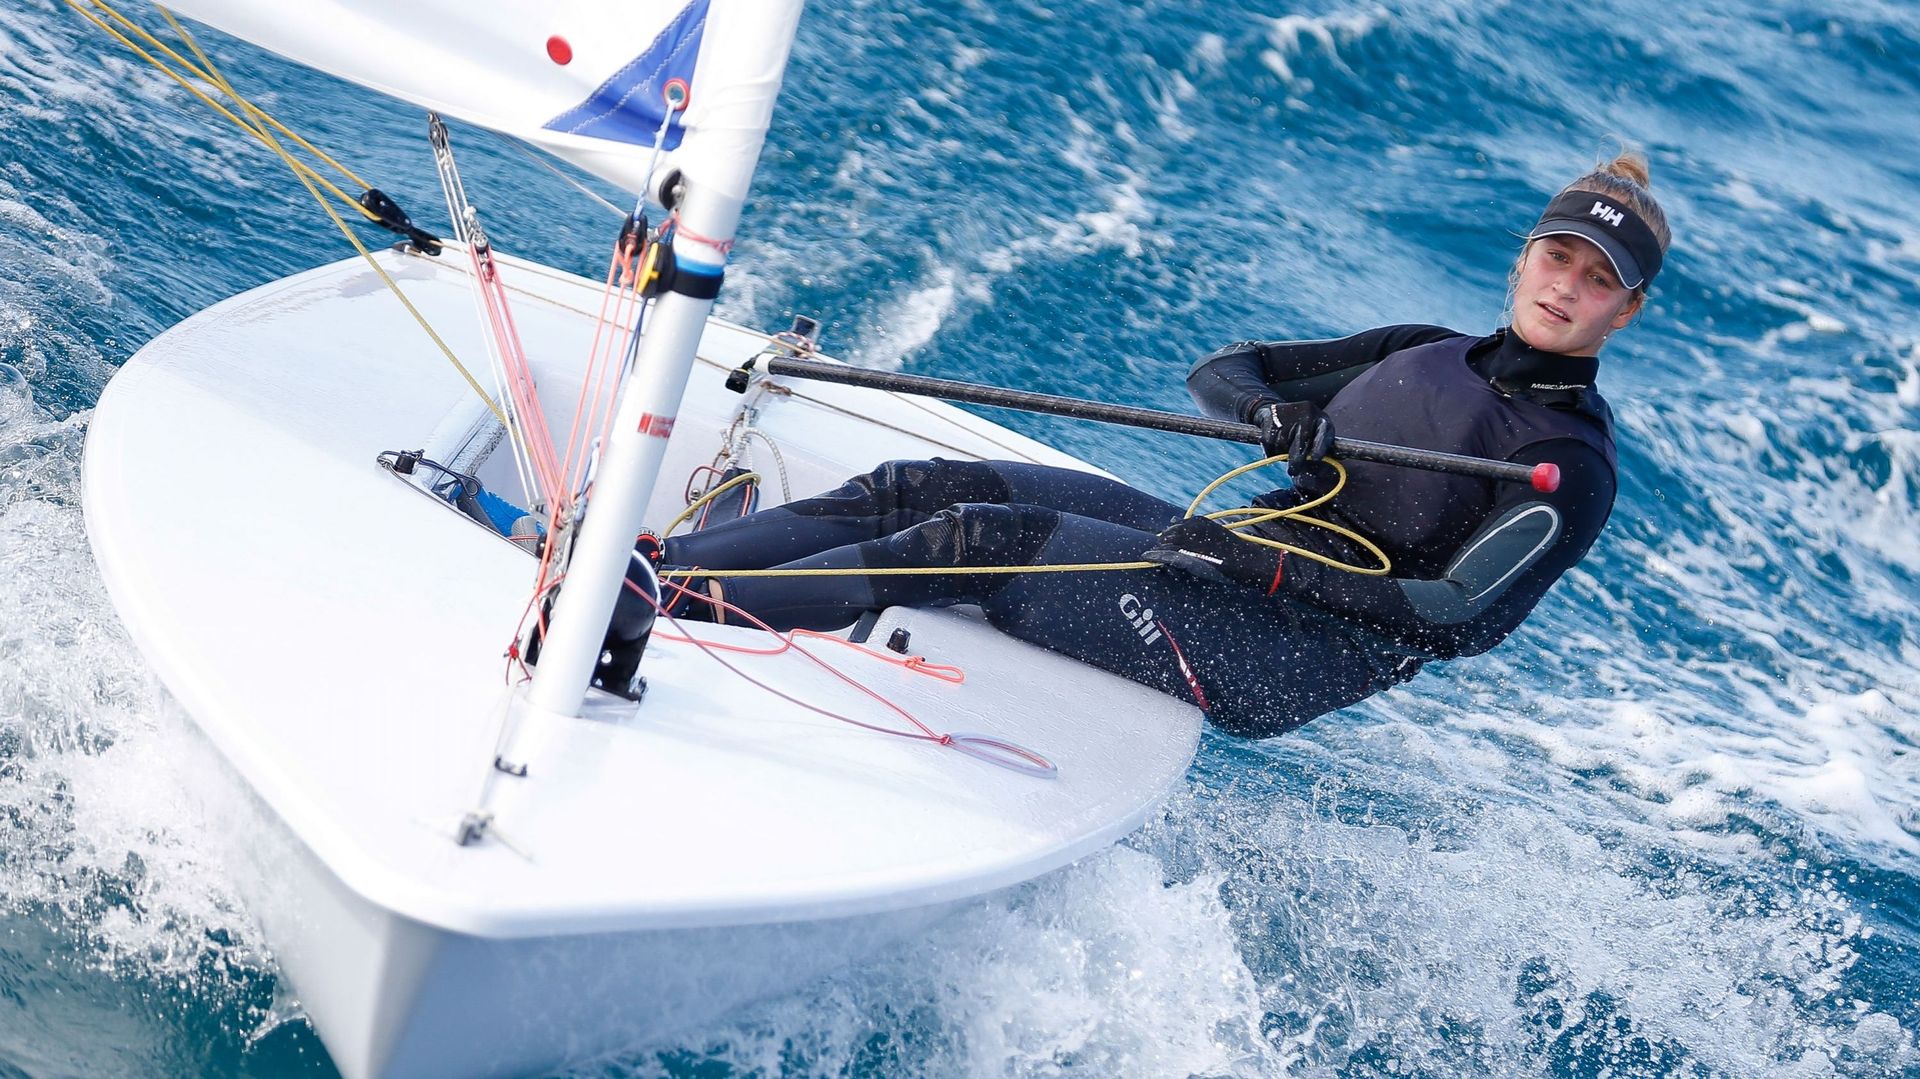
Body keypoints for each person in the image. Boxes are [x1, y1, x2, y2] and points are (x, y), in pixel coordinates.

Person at [604, 152, 1671, 737]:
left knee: (982, 536)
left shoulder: (1566, 464)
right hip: (1221, 561)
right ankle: (640, 568)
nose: (1565, 287)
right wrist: (1270, 416)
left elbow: (1454, 617)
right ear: (1527, 251)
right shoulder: (1421, 351)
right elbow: (1226, 369)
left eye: (1596, 282)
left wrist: (1262, 562)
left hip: (1282, 650)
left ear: (1622, 315)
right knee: (924, 484)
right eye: (1559, 255)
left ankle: (662, 611)